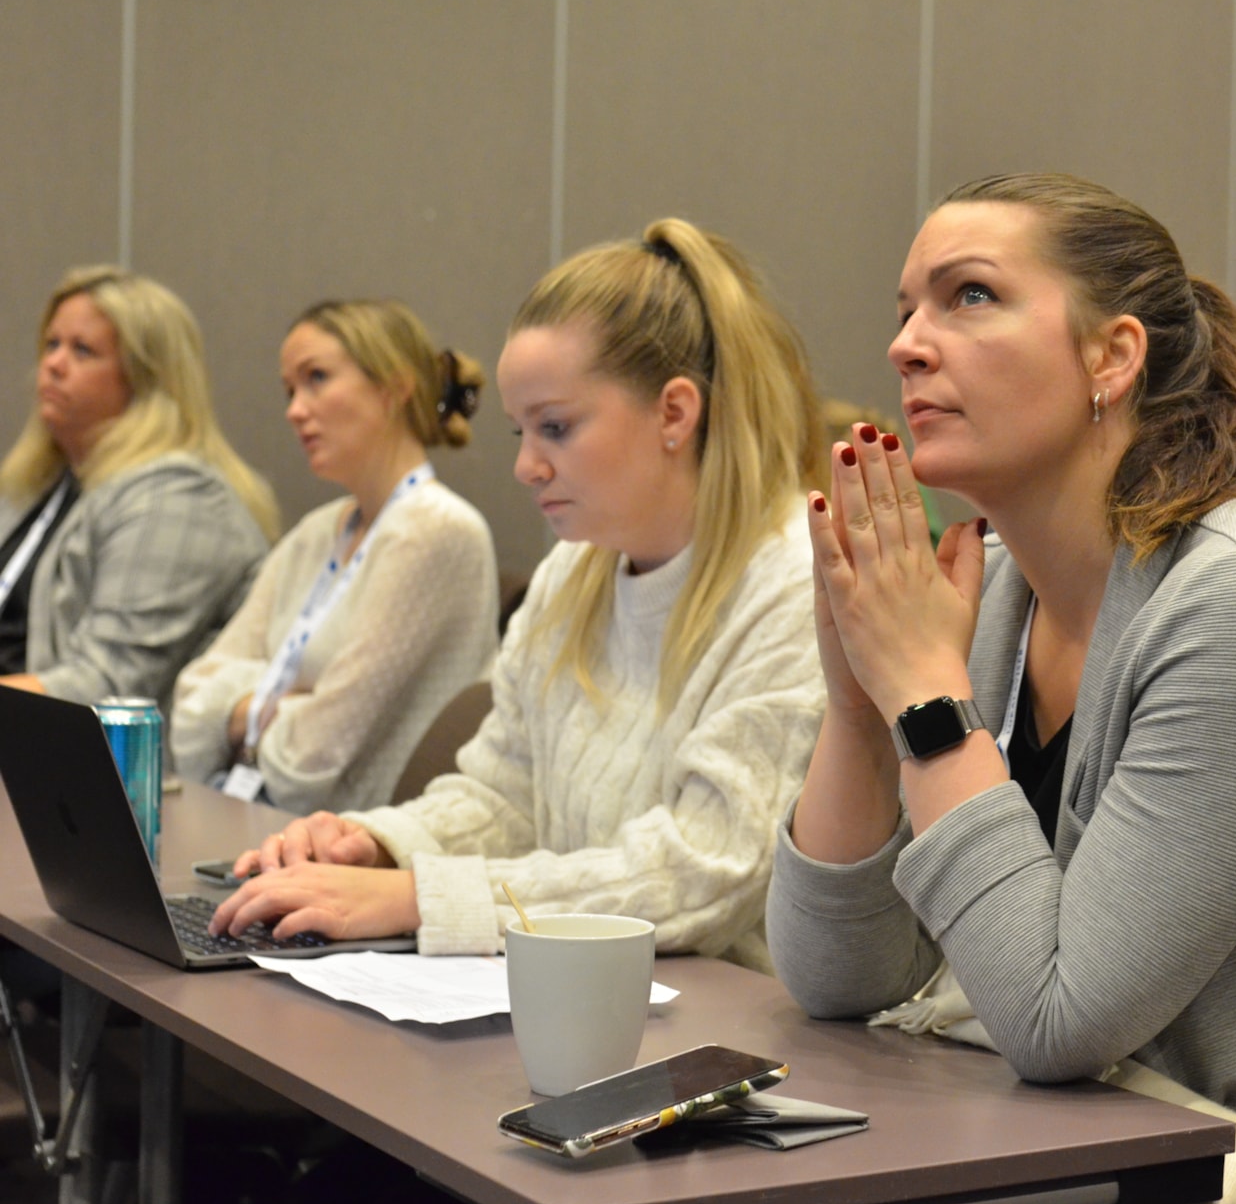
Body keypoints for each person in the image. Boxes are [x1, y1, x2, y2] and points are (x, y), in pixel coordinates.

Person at [768, 174, 1236, 1204]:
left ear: (1111, 357)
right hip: (1096, 1146)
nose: (906, 343)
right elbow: (837, 978)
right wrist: (862, 700)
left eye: (969, 296)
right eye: (904, 311)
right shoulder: (990, 598)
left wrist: (926, 698)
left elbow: (1056, 1019)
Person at [209, 222, 827, 970]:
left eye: (556, 428)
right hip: (580, 994)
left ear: (674, 412)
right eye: (520, 432)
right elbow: (505, 796)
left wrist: (418, 897)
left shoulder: (795, 583)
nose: (527, 466)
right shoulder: (575, 571)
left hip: (735, 1030)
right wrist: (376, 845)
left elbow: (707, 872)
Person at [170, 300, 499, 815]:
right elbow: (190, 706)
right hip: (249, 818)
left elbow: (313, 762)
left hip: (345, 850)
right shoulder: (317, 531)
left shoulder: (437, 532)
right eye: (289, 390)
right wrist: (285, 703)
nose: (295, 409)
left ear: (394, 388)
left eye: (316, 378)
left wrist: (241, 717)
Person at [0, 266, 277, 708]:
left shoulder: (179, 500)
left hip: (107, 766)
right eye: (51, 344)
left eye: (83, 350)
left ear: (146, 379)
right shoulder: (36, 484)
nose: (52, 363)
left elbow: (105, 685)